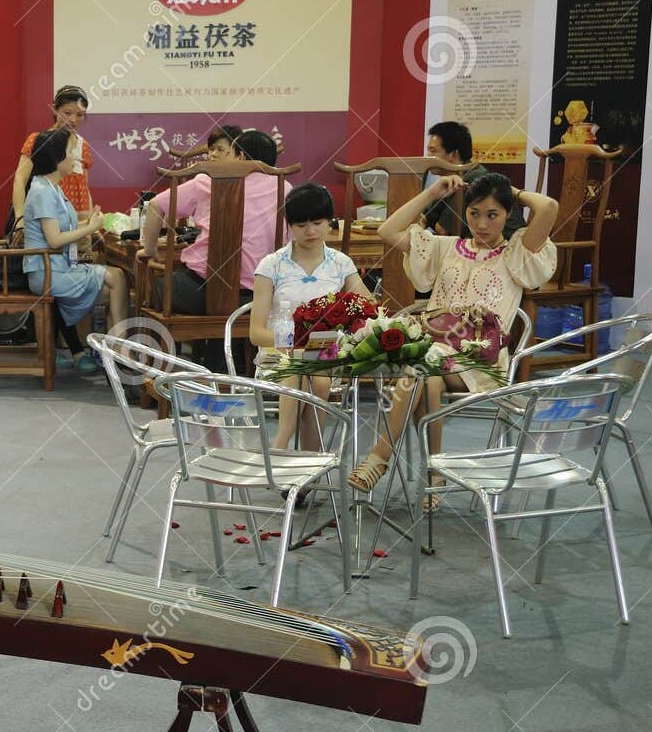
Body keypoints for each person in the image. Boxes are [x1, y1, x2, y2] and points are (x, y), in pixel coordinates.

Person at [349, 171, 559, 505]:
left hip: (480, 359)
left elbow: (548, 207)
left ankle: (381, 453)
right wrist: (431, 193)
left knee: (419, 368)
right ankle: (434, 472)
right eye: (475, 213)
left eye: (493, 214)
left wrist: (512, 190)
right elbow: (389, 230)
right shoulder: (446, 248)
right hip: (434, 356)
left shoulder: (517, 251)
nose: (482, 223)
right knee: (424, 379)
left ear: (507, 215)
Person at [139, 128, 282, 368]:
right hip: (257, 299)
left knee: (152, 285)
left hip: (200, 294)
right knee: (229, 300)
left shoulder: (207, 179)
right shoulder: (285, 188)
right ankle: (236, 376)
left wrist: (150, 250)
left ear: (241, 157)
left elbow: (155, 206)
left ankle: (149, 374)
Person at [246, 181, 372, 450]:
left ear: (330, 222)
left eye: (317, 222)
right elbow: (256, 333)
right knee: (304, 372)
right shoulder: (271, 265)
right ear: (289, 226)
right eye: (301, 224)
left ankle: (286, 451)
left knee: (317, 375)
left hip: (327, 354)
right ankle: (302, 453)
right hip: (279, 353)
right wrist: (297, 345)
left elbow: (369, 310)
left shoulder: (341, 263)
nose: (310, 231)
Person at [23, 128, 129, 369]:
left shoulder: (51, 187)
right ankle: (120, 356)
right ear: (56, 158)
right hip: (47, 272)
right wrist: (90, 228)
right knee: (118, 277)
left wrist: (89, 223)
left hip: (57, 268)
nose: (76, 158)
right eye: (71, 152)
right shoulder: (42, 192)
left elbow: (61, 228)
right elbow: (54, 239)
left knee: (115, 288)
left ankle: (114, 355)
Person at [423, 121, 525, 240]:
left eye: (433, 150)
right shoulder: (451, 179)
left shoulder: (473, 180)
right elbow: (426, 217)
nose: (427, 156)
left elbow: (443, 230)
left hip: (505, 251)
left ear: (453, 154)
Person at [12, 85, 94, 227]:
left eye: (80, 115)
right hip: (48, 219)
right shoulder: (38, 140)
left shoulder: (83, 145)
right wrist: (20, 218)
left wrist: (90, 221)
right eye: (67, 113)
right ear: (55, 110)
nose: (73, 120)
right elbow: (20, 179)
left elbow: (84, 186)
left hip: (79, 222)